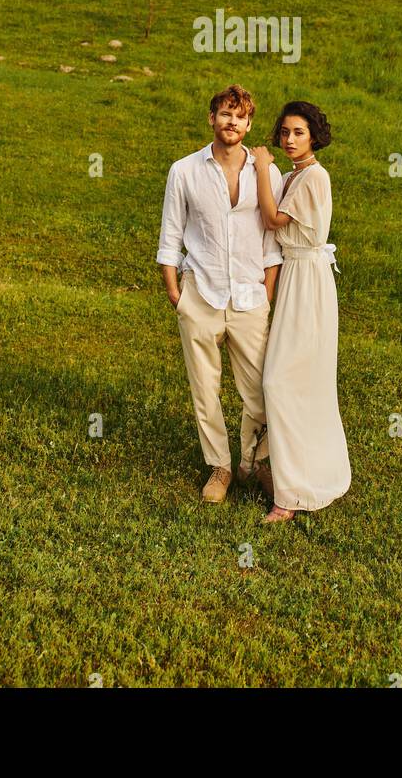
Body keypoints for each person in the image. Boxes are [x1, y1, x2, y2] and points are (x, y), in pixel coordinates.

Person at [156, 85, 284, 503]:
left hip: (250, 298)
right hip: (202, 295)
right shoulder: (185, 170)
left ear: (249, 124)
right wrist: (176, 293)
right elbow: (171, 234)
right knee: (204, 390)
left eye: (241, 116)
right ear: (212, 118)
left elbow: (271, 239)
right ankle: (220, 468)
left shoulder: (266, 172)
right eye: (226, 114)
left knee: (261, 391)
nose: (233, 122)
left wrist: (267, 292)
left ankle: (253, 460)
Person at [251, 101, 351, 524]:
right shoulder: (297, 175)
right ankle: (292, 477)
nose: (289, 140)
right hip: (295, 275)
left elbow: (274, 219)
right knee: (290, 381)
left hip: (307, 280)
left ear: (313, 137)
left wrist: (259, 166)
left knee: (281, 380)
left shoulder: (314, 176)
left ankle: (289, 495)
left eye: (299, 133)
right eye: (285, 132)